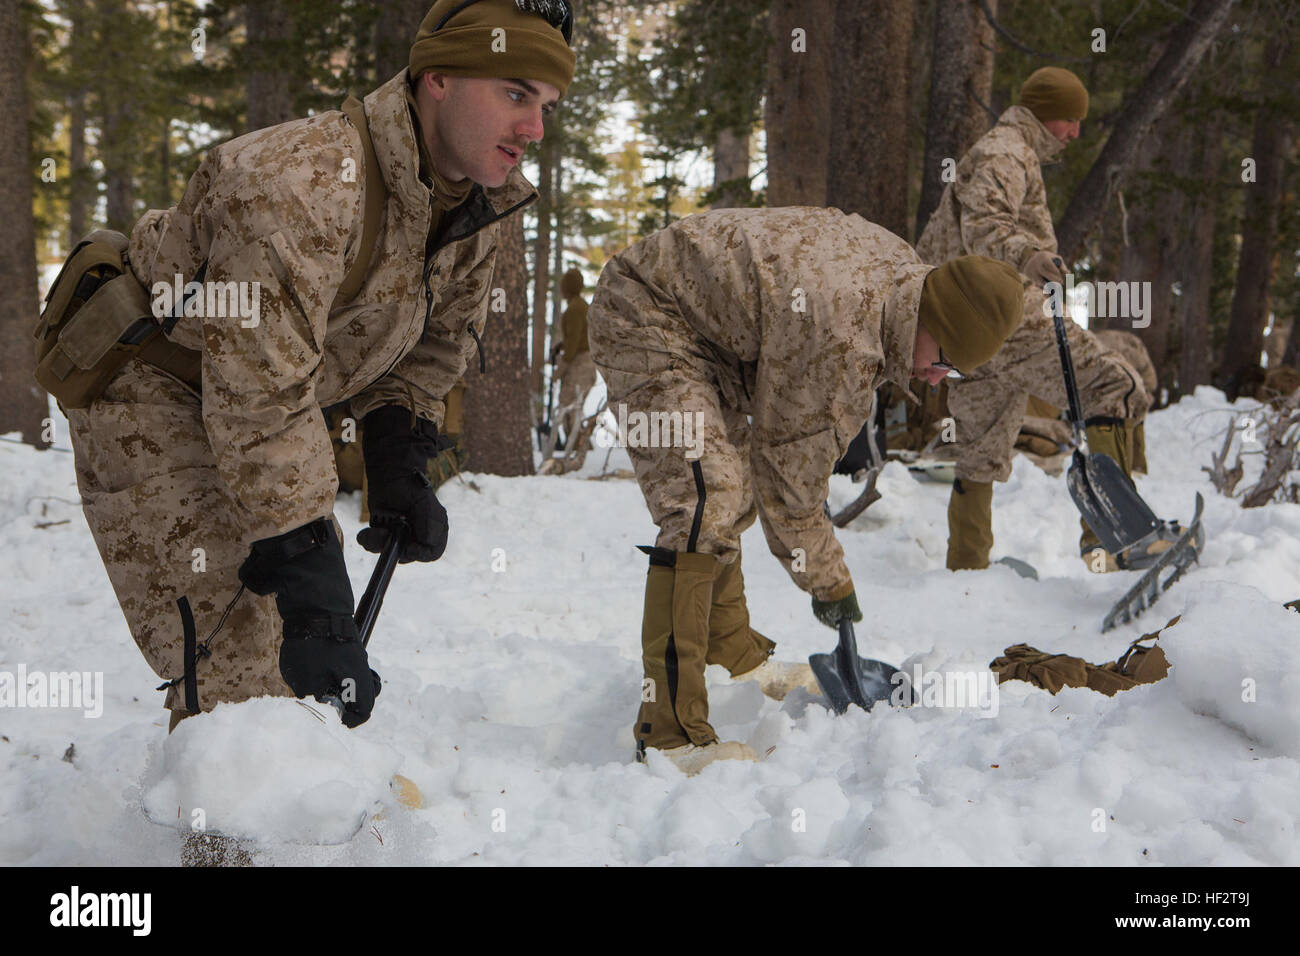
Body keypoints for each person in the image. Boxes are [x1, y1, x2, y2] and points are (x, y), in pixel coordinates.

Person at [59, 0, 575, 738]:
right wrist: (307, 572)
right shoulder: (296, 183)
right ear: (436, 78)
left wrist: (399, 450)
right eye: (515, 93)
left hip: (270, 408)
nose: (535, 130)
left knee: (298, 654)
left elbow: (430, 348)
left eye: (547, 105)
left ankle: (291, 821)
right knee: (244, 663)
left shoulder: (469, 205)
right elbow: (257, 397)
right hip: (159, 395)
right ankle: (233, 844)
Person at [588, 207, 1024, 774]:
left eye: (954, 371)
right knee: (704, 497)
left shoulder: (907, 283)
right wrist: (831, 584)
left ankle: (734, 655)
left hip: (708, 331)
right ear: (929, 318)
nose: (938, 378)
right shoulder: (843, 329)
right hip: (645, 312)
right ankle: (669, 732)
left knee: (729, 486)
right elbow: (789, 484)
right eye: (942, 360)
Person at [916, 66, 1168, 572]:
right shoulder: (1005, 152)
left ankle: (966, 573)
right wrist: (1030, 256)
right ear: (1043, 113)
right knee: (1115, 385)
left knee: (980, 447)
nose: (1075, 133)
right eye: (1069, 120)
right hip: (1005, 313)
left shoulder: (1006, 150)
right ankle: (1115, 543)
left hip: (964, 327)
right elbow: (984, 227)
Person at [549, 267, 595, 452]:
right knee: (572, 410)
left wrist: (559, 372)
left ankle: (578, 451)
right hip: (583, 363)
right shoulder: (580, 306)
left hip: (580, 365)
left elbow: (574, 344)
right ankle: (579, 449)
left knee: (568, 409)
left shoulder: (575, 309)